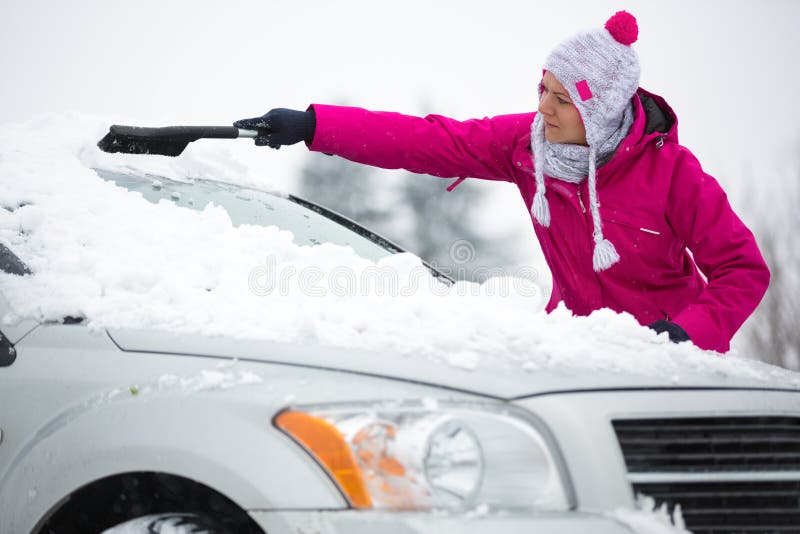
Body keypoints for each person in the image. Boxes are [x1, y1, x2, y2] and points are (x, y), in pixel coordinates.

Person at [233, 11, 770, 353]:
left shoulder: (672, 173)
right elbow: (425, 141)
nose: (543, 109)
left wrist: (686, 336)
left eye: (563, 100)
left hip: (672, 361)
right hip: (581, 355)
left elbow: (743, 270)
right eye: (542, 89)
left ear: (602, 112)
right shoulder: (527, 145)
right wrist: (314, 125)